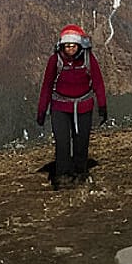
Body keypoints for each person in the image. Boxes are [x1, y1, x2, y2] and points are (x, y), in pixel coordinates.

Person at [36, 24, 107, 190]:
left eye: (73, 46)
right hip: (60, 107)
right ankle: (63, 176)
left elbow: (98, 82)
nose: (69, 49)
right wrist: (42, 110)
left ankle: (80, 173)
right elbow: (47, 85)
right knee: (62, 143)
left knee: (81, 142)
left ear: (79, 45)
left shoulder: (88, 59)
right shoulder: (56, 61)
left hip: (83, 107)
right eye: (67, 46)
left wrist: (102, 105)